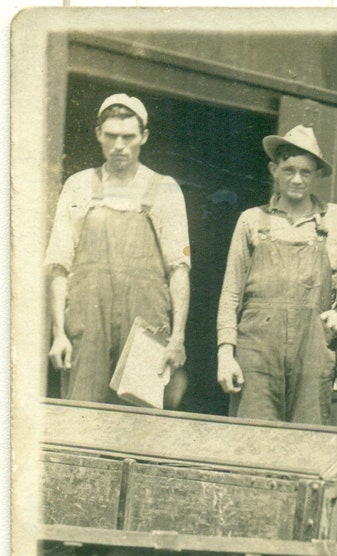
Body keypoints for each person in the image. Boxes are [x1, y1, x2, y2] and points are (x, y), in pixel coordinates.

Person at [46, 94, 190, 405]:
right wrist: (58, 334)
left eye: (128, 137)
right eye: (111, 136)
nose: (119, 145)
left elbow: (179, 269)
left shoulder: (164, 189)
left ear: (144, 137)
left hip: (144, 323)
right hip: (88, 320)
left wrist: (177, 337)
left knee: (140, 422)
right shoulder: (79, 186)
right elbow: (58, 266)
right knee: (80, 413)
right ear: (98, 133)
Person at [216, 125, 337, 425]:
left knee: (307, 442)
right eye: (289, 170)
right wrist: (226, 354)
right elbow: (231, 293)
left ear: (316, 175)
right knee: (251, 441)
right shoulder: (252, 220)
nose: (297, 179)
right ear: (274, 170)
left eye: (305, 172)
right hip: (256, 350)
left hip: (313, 349)